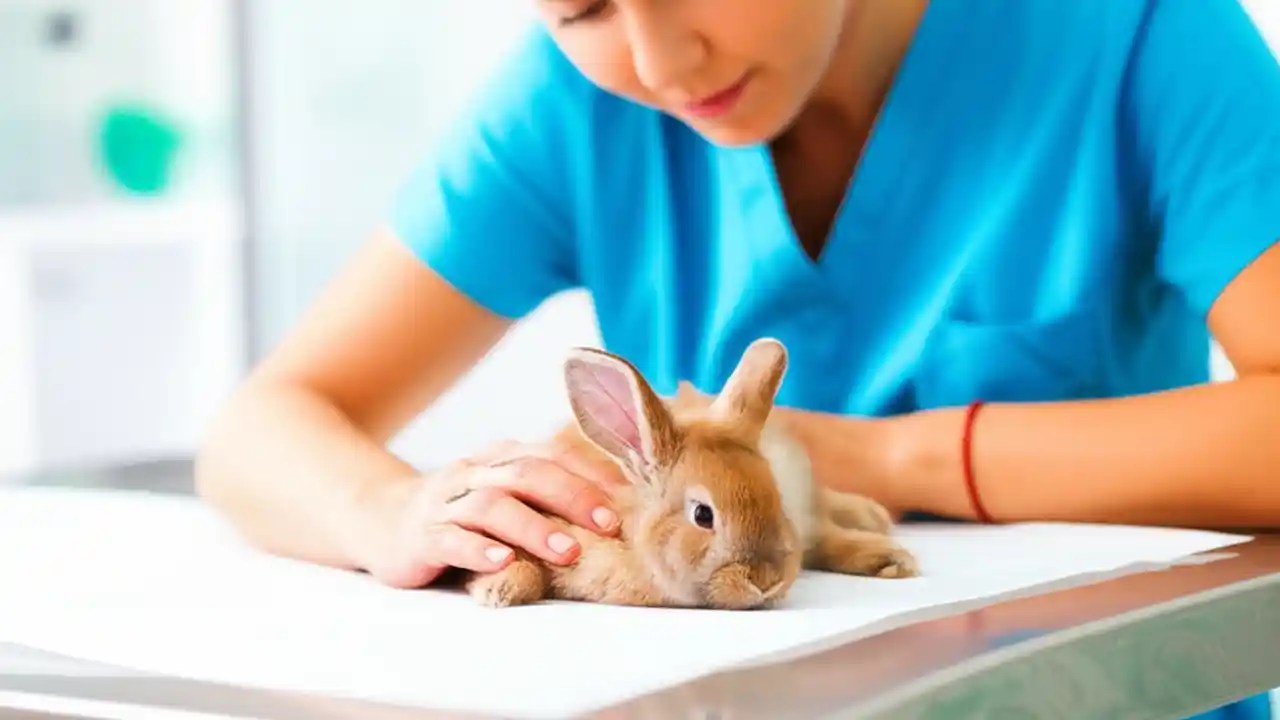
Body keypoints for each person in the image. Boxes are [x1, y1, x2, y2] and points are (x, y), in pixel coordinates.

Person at [195, 1, 1280, 717]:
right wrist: (392, 512)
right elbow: (263, 425)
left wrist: (875, 459)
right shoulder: (566, 103)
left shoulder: (1140, 32)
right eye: (580, 6)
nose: (662, 61)